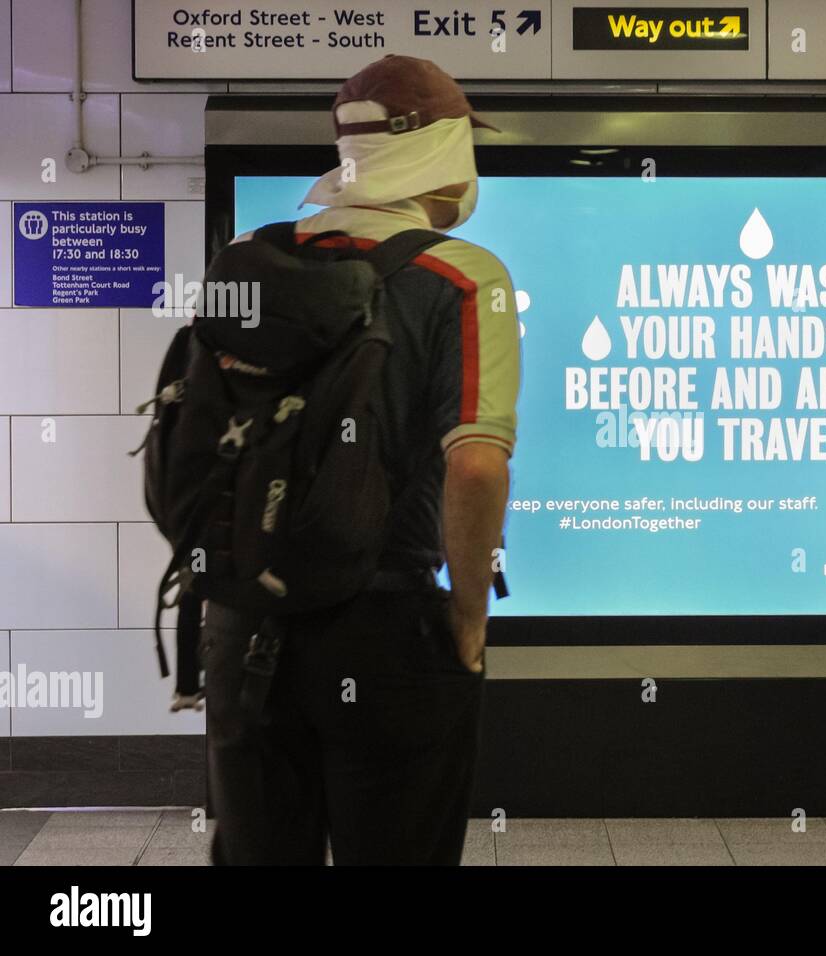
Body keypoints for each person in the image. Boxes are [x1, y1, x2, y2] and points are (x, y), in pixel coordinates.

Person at [202, 55, 520, 865]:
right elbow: (477, 466)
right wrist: (470, 619)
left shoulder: (248, 258)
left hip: (245, 627)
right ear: (446, 150)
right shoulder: (462, 275)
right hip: (384, 630)